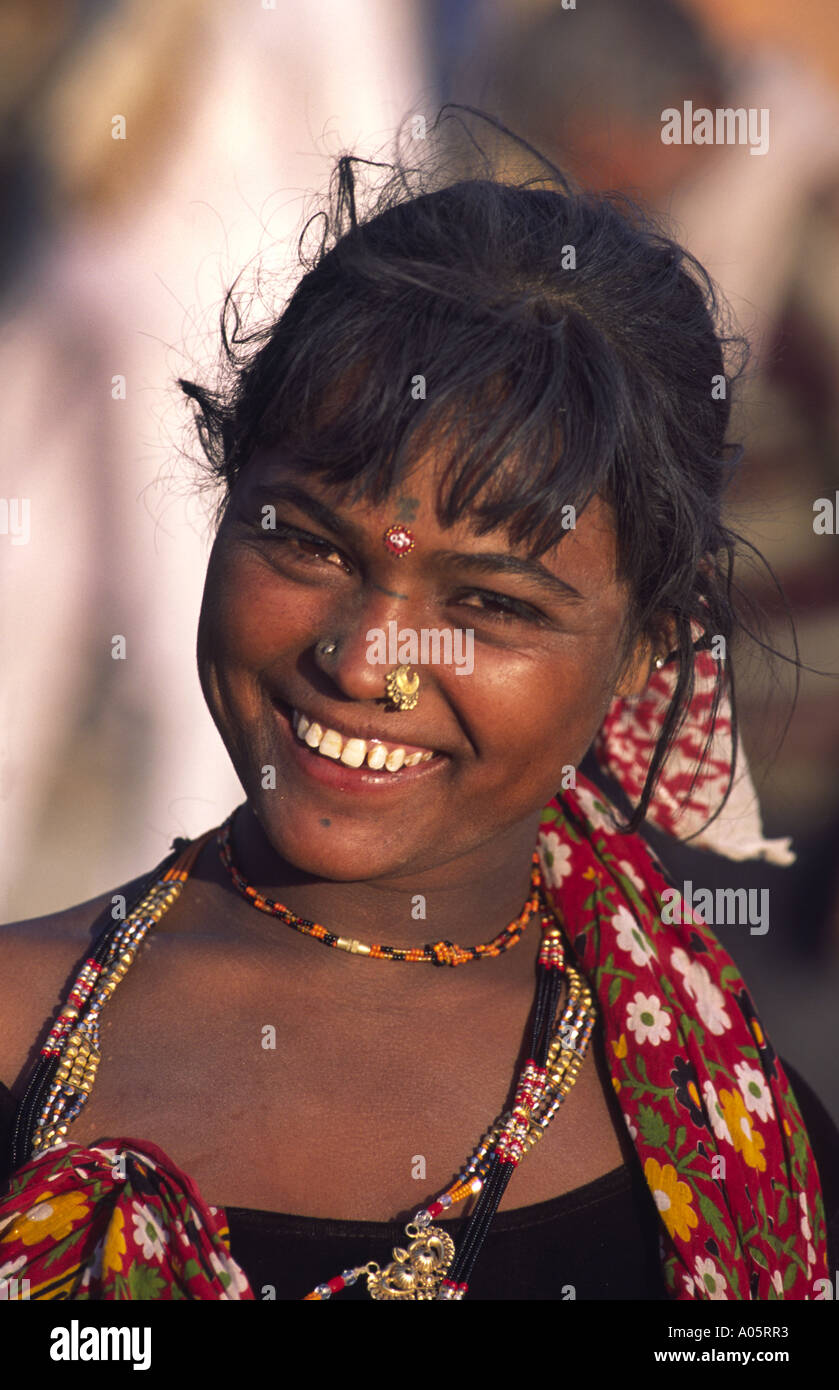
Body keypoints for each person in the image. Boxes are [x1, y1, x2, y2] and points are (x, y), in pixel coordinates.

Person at [0, 112, 837, 1302]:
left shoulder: (724, 1143)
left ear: (647, 646)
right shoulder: (21, 1031)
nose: (367, 662)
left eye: (490, 606)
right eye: (310, 547)